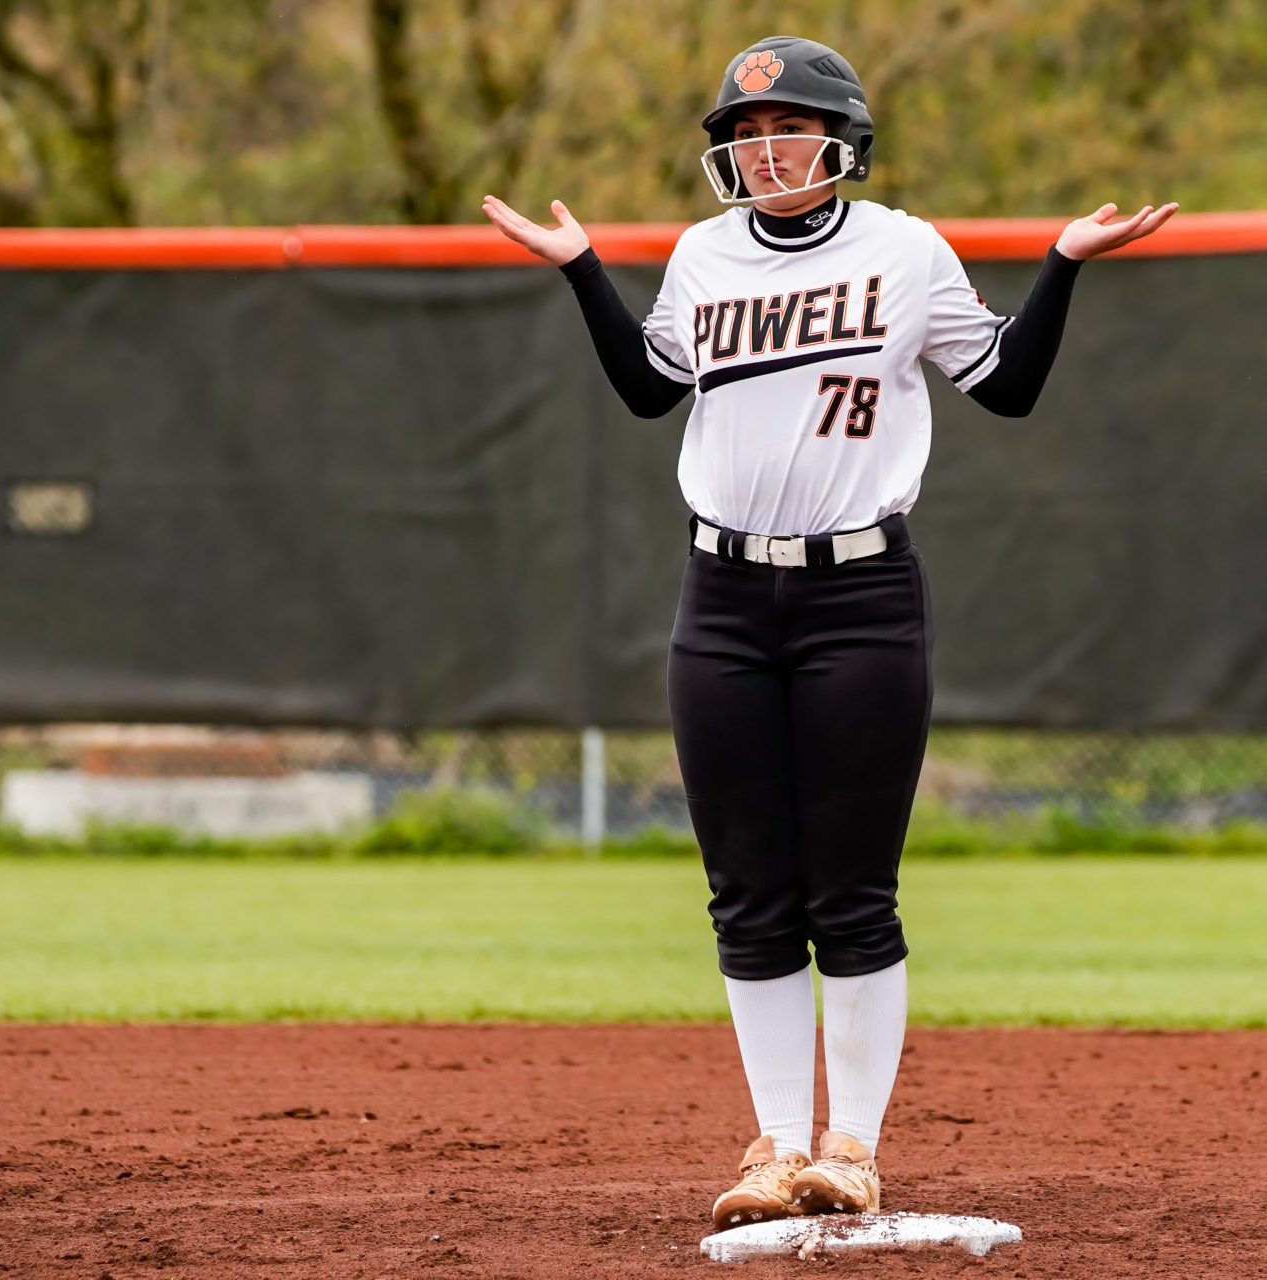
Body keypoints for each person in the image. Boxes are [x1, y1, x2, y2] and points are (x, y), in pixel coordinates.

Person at [483, 35, 1175, 1232]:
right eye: (744, 136)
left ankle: (850, 1147)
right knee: (747, 891)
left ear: (841, 141)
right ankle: (775, 1145)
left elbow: (1003, 383)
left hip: (860, 594)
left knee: (852, 891)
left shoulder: (904, 250)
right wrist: (582, 267)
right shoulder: (702, 254)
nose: (763, 151)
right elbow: (652, 388)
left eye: (785, 129)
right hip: (723, 597)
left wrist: (1062, 262)